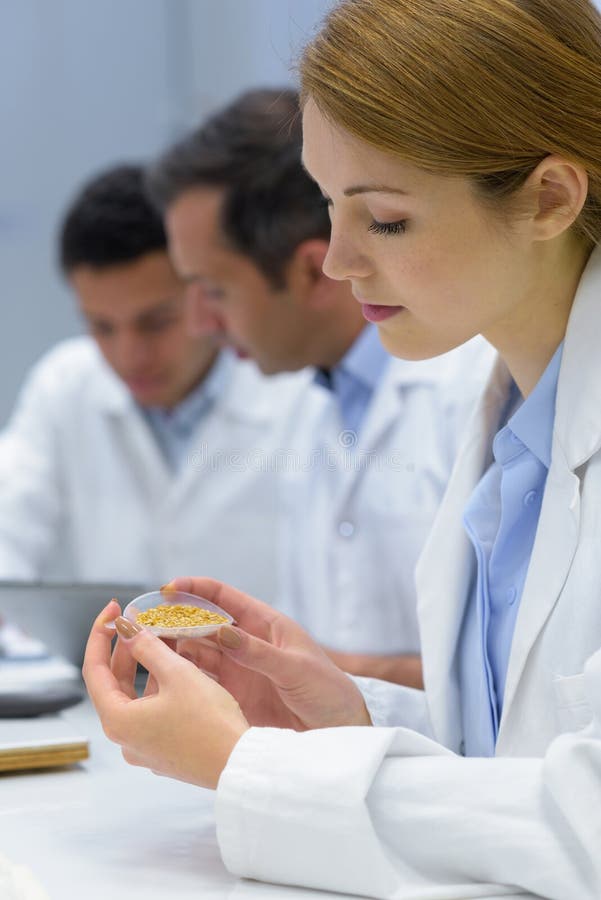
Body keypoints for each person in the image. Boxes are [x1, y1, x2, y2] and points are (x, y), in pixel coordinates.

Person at [84, 0, 601, 896]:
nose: (334, 263)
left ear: (548, 199)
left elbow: (583, 817)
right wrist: (342, 714)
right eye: (330, 208)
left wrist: (248, 768)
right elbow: (520, 751)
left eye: (385, 220)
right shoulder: (515, 423)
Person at [147, 89, 492, 685]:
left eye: (215, 291)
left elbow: (521, 683)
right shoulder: (311, 404)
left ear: (312, 270)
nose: (199, 323)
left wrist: (316, 674)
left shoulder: (475, 390)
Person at [0, 164, 305, 600]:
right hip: (118, 646)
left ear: (204, 290)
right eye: (102, 327)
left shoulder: (293, 388)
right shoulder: (65, 385)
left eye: (156, 322)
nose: (129, 356)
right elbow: (9, 524)